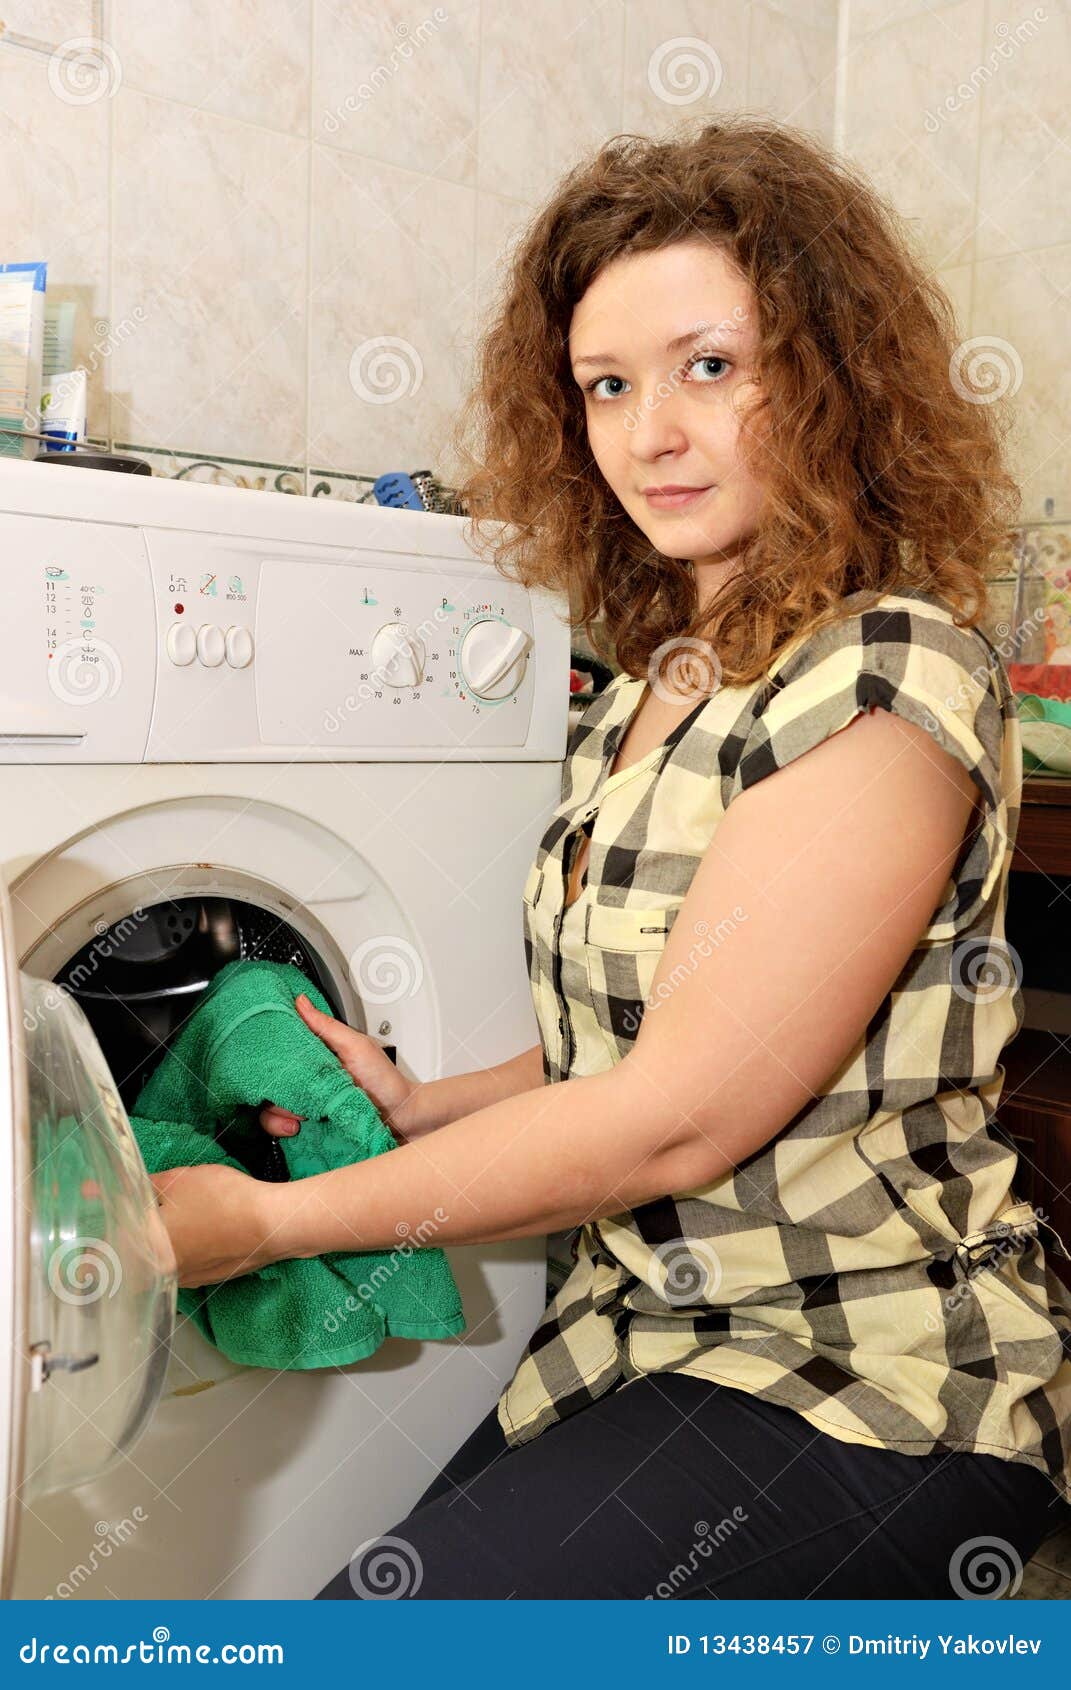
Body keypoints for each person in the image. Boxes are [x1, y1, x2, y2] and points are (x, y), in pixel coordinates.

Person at [151, 115, 1071, 1600]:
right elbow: (637, 1025)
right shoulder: (656, 685)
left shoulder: (888, 679)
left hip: (866, 1372)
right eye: (607, 384)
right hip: (635, 1328)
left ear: (828, 376)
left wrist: (263, 1219)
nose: (651, 431)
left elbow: (670, 1119)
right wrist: (427, 1101)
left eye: (713, 365)